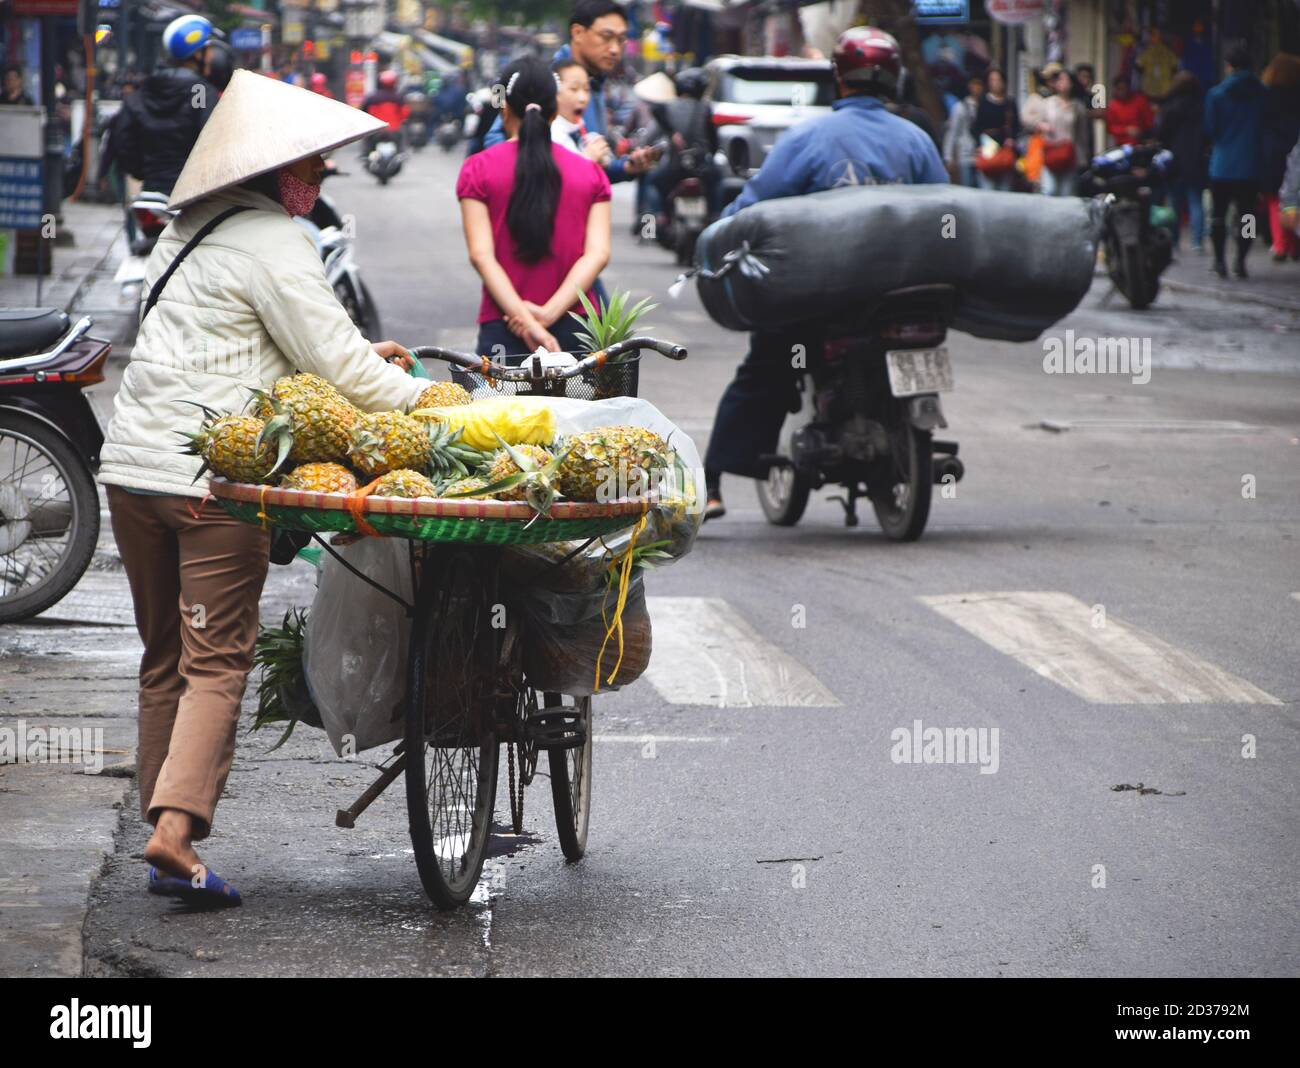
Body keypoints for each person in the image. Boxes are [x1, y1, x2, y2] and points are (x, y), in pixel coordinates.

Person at [96, 71, 425, 905]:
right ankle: (174, 836)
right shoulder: (280, 242)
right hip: (211, 484)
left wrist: (358, 358)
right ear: (276, 172)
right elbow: (338, 366)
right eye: (312, 169)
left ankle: (159, 836)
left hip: (133, 473)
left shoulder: (184, 227)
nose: (319, 183)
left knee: (165, 656)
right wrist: (437, 408)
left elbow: (259, 345)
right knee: (216, 661)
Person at [703, 27, 947, 520]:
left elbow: (755, 203)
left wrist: (718, 230)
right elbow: (947, 210)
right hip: (904, 296)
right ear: (894, 78)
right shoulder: (917, 141)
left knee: (766, 368)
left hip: (819, 301)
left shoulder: (809, 138)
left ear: (839, 77)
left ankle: (711, 483)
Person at [455, 56, 611, 357]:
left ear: (505, 107)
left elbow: (481, 256)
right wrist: (547, 316)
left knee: (502, 406)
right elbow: (598, 255)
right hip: (577, 328)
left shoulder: (476, 169)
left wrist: (528, 322)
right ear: (555, 110)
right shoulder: (591, 173)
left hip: (505, 327)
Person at [483, 1, 652, 184]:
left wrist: (626, 167)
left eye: (621, 40)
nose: (615, 49)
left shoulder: (595, 84)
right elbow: (495, 141)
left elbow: (593, 170)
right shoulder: (542, 80)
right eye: (606, 37)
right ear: (577, 32)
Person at [114, 15, 218, 195]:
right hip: (190, 194)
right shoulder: (199, 90)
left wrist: (144, 172)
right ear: (196, 54)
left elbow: (123, 140)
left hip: (151, 190)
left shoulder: (145, 90)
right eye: (208, 50)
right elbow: (209, 137)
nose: (212, 56)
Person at [1205, 44, 1267, 278]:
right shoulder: (1262, 93)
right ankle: (1241, 259)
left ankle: (1220, 260)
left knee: (1218, 215)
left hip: (1222, 165)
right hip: (1251, 164)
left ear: (1229, 66)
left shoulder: (1216, 95)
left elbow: (1211, 129)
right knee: (1248, 216)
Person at [1155, 70, 1206, 251]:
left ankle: (1175, 241)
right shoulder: (1201, 107)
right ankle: (1197, 241)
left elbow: (1161, 134)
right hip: (1196, 158)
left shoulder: (1170, 108)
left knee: (1175, 202)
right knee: (1195, 201)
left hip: (1174, 159)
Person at [1261, 53, 1300, 262]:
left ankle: (1280, 244)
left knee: (1275, 199)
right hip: (1295, 148)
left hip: (1273, 151)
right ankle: (1294, 245)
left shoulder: (1266, 95)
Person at [1038, 67, 1087, 196]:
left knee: (1067, 193)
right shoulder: (1047, 103)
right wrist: (1042, 125)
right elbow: (1031, 120)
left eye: (1066, 80)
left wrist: (1082, 158)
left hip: (1069, 154)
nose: (1062, 83)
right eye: (1060, 80)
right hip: (1051, 150)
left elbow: (1082, 135)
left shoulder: (1078, 106)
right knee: (1049, 190)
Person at [552, 57, 609, 164]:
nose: (583, 98)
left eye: (586, 89)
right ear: (554, 92)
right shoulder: (552, 136)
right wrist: (587, 159)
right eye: (574, 89)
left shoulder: (576, 131)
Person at [973, 66, 1019, 191]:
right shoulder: (983, 102)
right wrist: (978, 145)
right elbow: (976, 126)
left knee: (1005, 185)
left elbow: (1016, 125)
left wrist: (1012, 138)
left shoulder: (1010, 103)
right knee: (988, 183)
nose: (995, 83)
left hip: (1004, 144)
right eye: (992, 80)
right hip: (987, 143)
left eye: (998, 80)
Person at [943, 73, 982, 188]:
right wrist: (948, 157)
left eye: (979, 84)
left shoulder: (985, 105)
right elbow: (952, 132)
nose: (977, 88)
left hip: (984, 155)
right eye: (974, 84)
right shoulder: (960, 107)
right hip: (966, 155)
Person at [360, 68, 409, 152]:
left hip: (376, 130)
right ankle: (401, 153)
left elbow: (364, 112)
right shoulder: (399, 98)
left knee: (367, 141)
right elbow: (405, 114)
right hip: (394, 130)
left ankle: (366, 154)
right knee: (402, 138)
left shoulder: (372, 98)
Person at [1104, 72, 1154, 147]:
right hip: (1121, 145)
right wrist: (1126, 130)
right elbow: (1110, 128)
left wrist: (1142, 132)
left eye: (1124, 88)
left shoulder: (1140, 101)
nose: (1122, 92)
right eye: (1119, 89)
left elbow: (1149, 122)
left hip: (1141, 143)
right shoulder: (1113, 106)